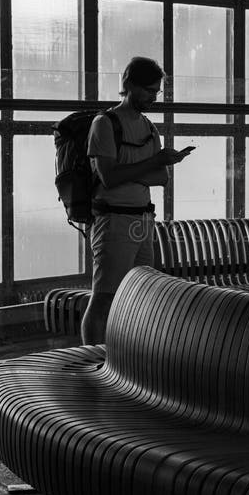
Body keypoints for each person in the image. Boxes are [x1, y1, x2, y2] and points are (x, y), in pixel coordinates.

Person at [81, 56, 194, 344]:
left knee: (139, 295)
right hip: (114, 221)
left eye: (156, 91)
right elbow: (109, 177)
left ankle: (120, 355)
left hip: (142, 220)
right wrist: (152, 163)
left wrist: (132, 171)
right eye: (148, 90)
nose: (153, 97)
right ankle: (93, 357)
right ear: (129, 85)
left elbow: (161, 178)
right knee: (104, 297)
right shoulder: (105, 124)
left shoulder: (148, 127)